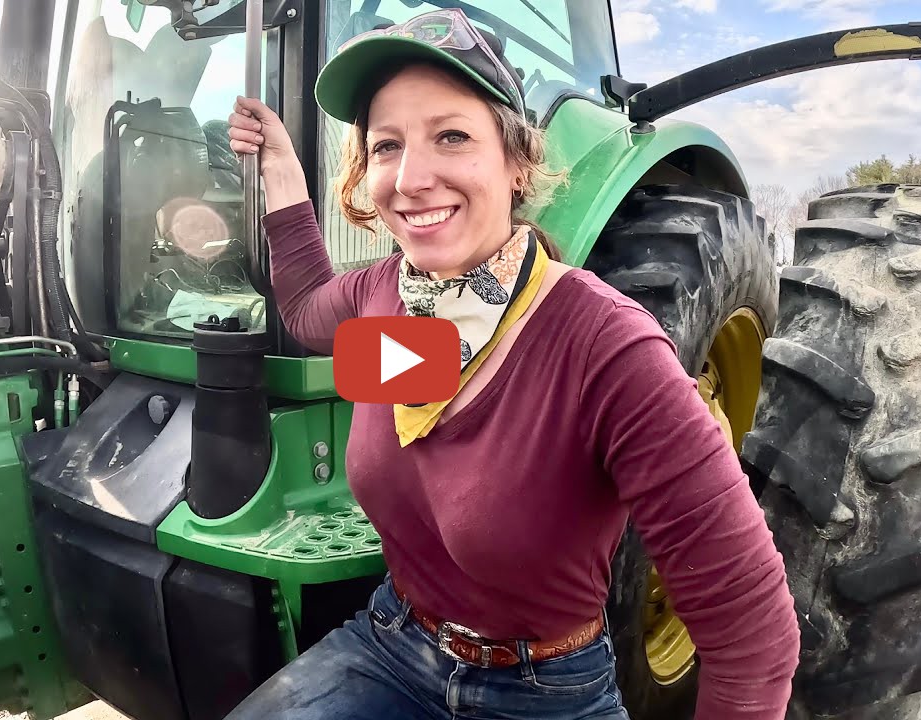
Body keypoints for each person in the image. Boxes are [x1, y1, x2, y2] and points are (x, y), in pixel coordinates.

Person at [223, 9, 799, 719]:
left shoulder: (602, 346)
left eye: (452, 136)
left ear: (517, 160)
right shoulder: (398, 307)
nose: (410, 178)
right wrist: (281, 166)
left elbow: (753, 631)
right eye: (386, 146)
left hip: (540, 690)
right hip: (391, 646)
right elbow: (310, 308)